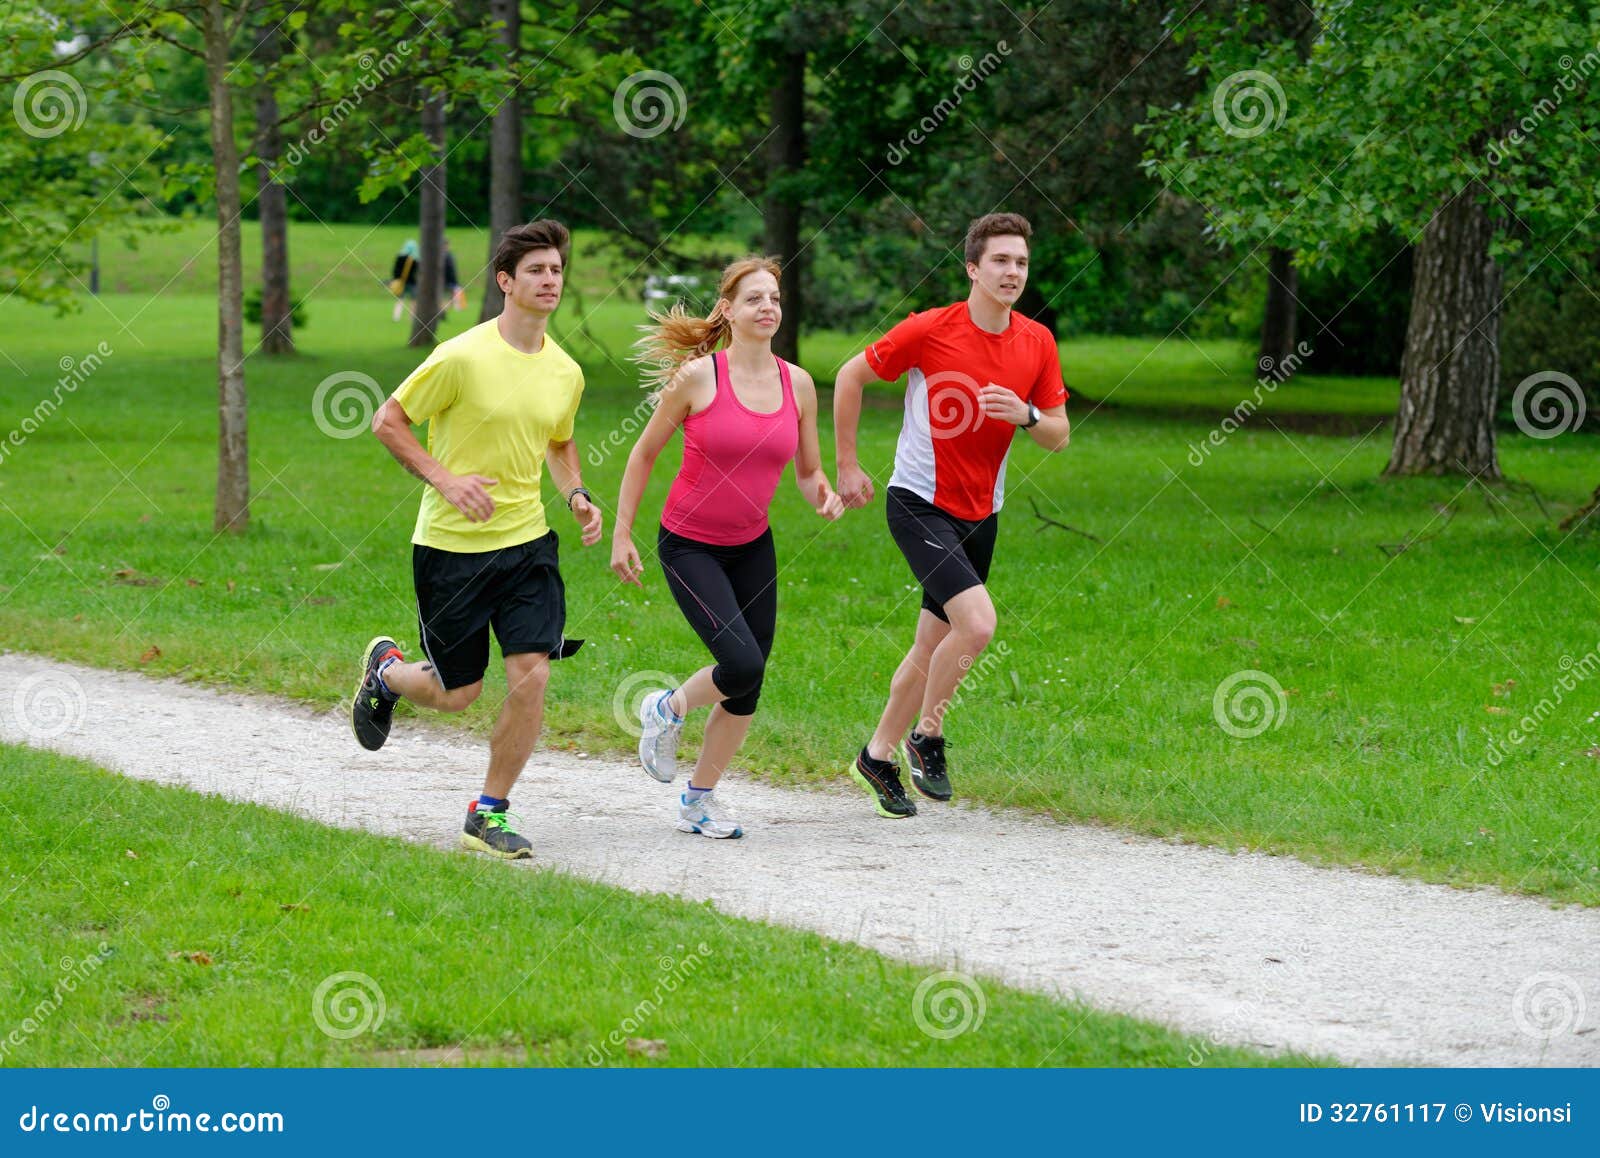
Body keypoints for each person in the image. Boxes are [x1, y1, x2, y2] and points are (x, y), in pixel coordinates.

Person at [354, 219, 604, 859]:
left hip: (528, 546)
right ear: (505, 282)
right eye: (537, 271)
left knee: (532, 676)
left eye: (556, 270)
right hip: (452, 550)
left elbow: (559, 437)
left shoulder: (565, 370)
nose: (550, 281)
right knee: (458, 693)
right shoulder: (461, 356)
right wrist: (444, 478)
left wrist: (575, 493)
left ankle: (488, 812)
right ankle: (387, 673)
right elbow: (388, 421)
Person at [831, 212, 1070, 818]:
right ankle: (927, 734)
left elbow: (1059, 435)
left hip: (981, 512)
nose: (1013, 271)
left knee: (930, 646)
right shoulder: (929, 329)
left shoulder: (1037, 342)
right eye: (1000, 261)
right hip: (917, 501)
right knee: (978, 624)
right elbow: (850, 376)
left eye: (1020, 262)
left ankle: (877, 754)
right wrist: (848, 465)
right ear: (972, 268)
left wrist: (1026, 415)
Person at [611, 257, 844, 838]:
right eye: (753, 299)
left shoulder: (800, 384)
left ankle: (699, 801)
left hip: (752, 545)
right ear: (728, 311)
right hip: (689, 544)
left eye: (774, 298)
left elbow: (809, 471)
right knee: (739, 663)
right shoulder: (698, 379)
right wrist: (621, 532)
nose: (767, 307)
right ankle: (664, 709)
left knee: (748, 682)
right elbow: (642, 455)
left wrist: (825, 494)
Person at [390, 239, 419, 322]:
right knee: (413, 301)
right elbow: (417, 273)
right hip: (412, 283)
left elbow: (395, 271)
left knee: (399, 300)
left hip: (400, 282)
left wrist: (396, 279)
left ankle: (396, 317)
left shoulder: (399, 257)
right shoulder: (415, 259)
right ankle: (412, 318)